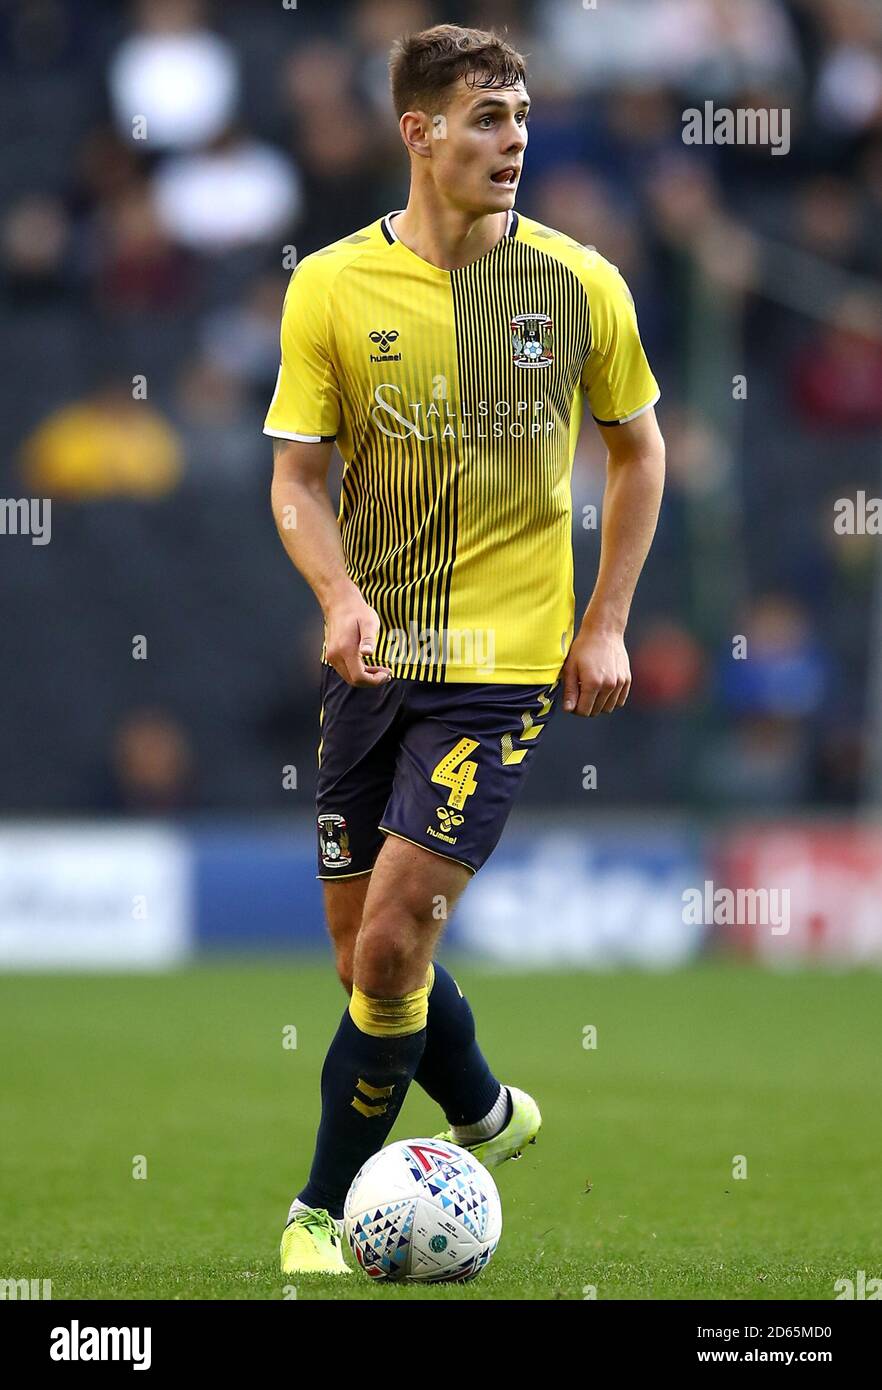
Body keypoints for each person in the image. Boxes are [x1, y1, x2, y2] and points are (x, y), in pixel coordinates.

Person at [266, 23, 665, 1275]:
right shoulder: (329, 285)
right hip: (374, 664)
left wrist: (602, 622)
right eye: (489, 117)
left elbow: (640, 449)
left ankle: (319, 1210)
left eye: (524, 115)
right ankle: (486, 1106)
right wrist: (336, 597)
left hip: (501, 669)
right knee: (362, 963)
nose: (516, 139)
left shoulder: (579, 282)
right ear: (418, 131)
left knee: (391, 946)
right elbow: (295, 477)